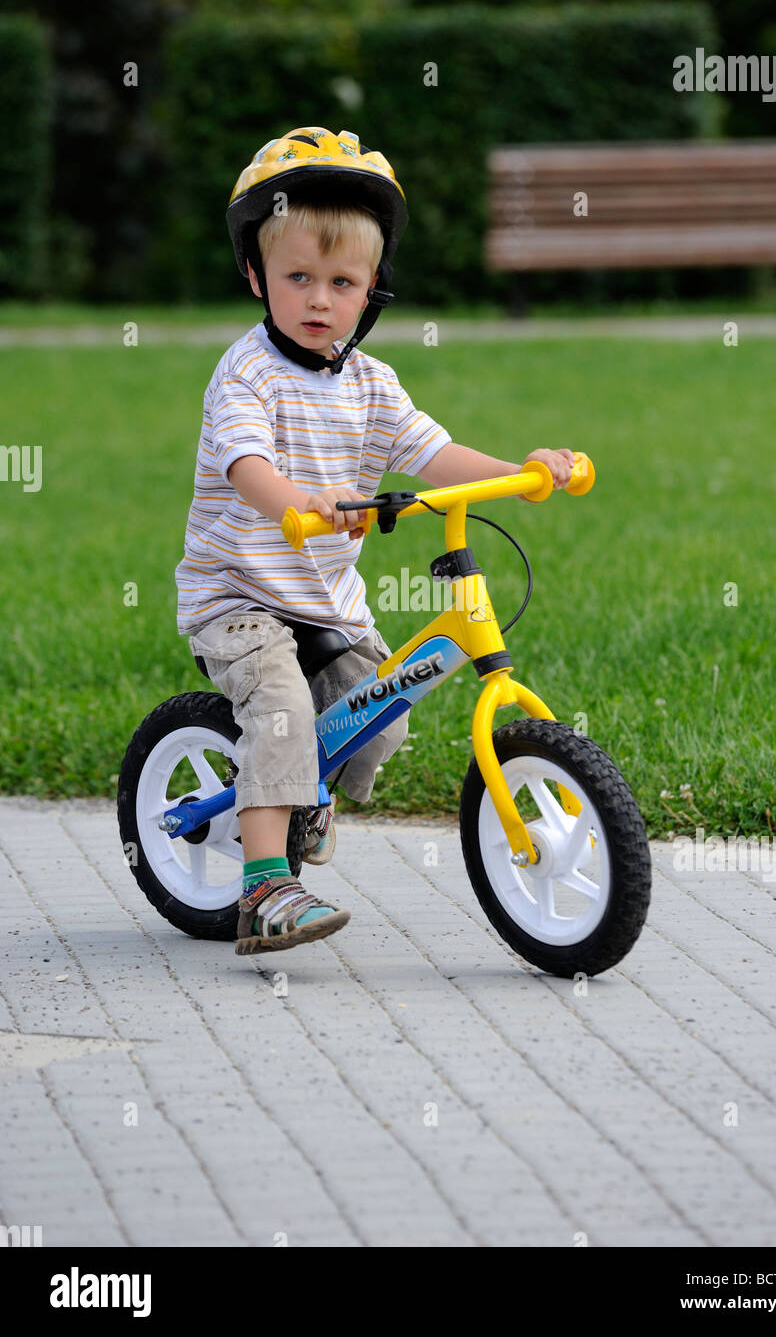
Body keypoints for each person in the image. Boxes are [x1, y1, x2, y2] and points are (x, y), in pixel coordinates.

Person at [174, 124, 576, 956]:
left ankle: (303, 799)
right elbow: (245, 462)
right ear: (255, 276)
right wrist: (302, 502)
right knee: (284, 717)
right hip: (239, 597)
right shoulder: (244, 373)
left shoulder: (370, 381)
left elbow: (431, 452)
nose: (319, 300)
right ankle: (262, 891)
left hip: (323, 598)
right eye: (297, 278)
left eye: (341, 282)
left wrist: (523, 469)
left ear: (371, 291)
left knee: (384, 714)